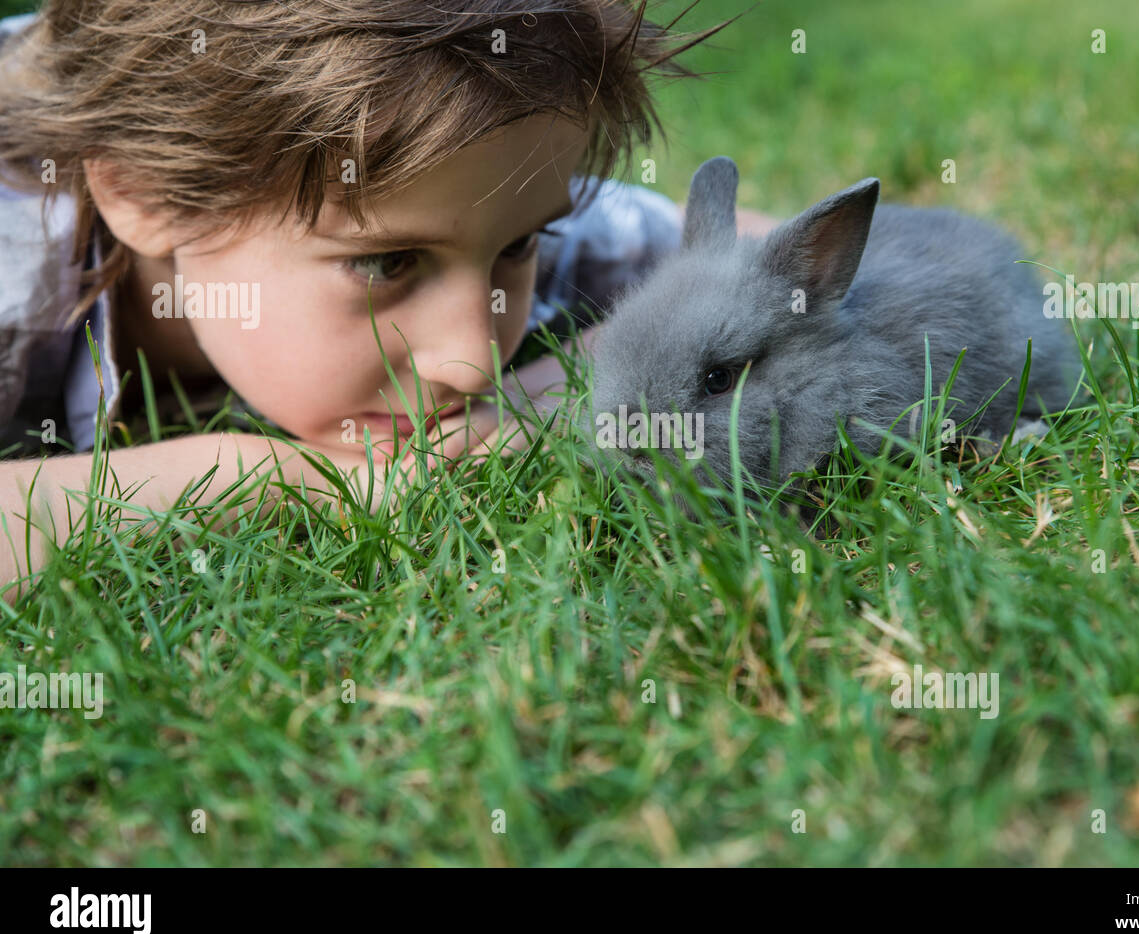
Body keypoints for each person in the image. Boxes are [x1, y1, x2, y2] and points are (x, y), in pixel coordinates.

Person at [0, 2, 778, 600]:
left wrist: (566, 378)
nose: (475, 360)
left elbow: (783, 263)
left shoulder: (471, 185)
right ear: (146, 190)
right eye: (387, 263)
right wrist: (270, 476)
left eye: (516, 248)